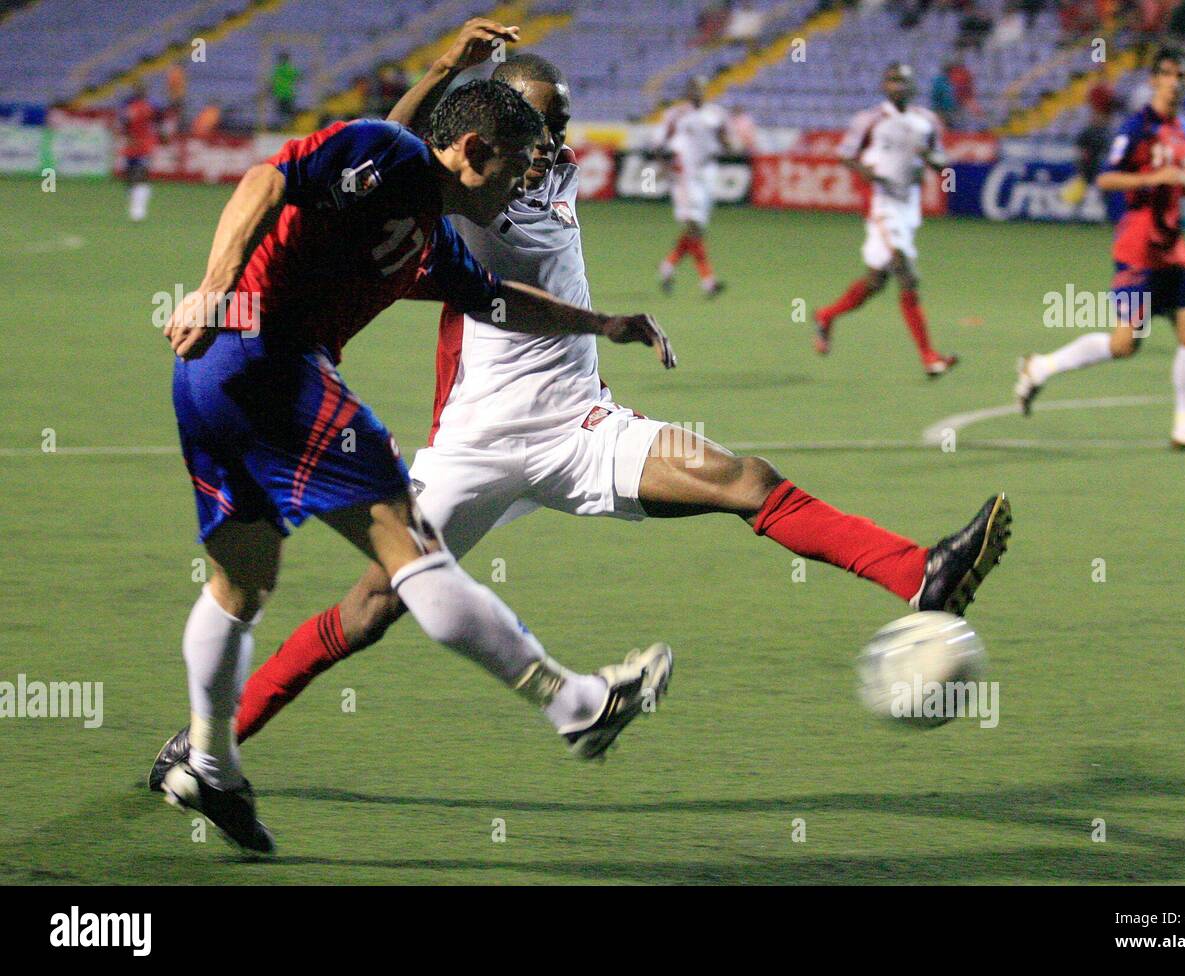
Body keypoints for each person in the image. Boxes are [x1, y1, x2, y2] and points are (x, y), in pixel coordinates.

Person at [152, 51, 1013, 765]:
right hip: (479, 440)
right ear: (484, 136)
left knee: (743, 478)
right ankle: (210, 743)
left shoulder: (536, 170)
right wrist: (450, 66)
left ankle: (918, 572)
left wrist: (609, 324)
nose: (553, 141)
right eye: (537, 123)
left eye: (559, 122)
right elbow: (395, 151)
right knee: (377, 602)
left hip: (578, 422)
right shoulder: (457, 195)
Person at [151, 66, 677, 853]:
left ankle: (211, 762)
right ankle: (570, 701)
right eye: (516, 165)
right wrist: (214, 286)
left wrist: (601, 323)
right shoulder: (390, 155)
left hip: (206, 380)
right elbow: (268, 177)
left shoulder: (429, 236)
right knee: (414, 552)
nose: (523, 184)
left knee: (241, 582)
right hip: (274, 363)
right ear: (472, 149)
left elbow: (498, 300)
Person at [1015, 46, 1185, 451]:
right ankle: (1040, 366)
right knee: (1125, 345)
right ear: (1153, 80)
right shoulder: (1136, 127)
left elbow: (1177, 180)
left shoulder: (1182, 128)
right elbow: (1107, 179)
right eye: (1167, 73)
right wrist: (1155, 177)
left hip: (1173, 248)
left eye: (1181, 74)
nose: (1174, 81)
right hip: (1138, 248)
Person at [813, 63, 958, 377]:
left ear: (913, 86)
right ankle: (930, 357)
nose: (898, 86)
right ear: (884, 85)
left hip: (909, 208)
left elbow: (943, 166)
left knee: (876, 281)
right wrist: (864, 172)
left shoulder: (927, 121)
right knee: (907, 274)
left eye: (903, 81)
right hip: (883, 205)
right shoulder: (870, 120)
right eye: (892, 81)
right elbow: (844, 154)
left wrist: (933, 161)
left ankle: (826, 315)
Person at [655, 76, 731, 298]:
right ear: (687, 91)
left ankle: (667, 266)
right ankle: (708, 281)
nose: (698, 92)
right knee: (694, 225)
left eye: (701, 88)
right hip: (685, 176)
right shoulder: (677, 114)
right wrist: (664, 167)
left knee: (696, 228)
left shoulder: (716, 114)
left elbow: (725, 141)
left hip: (708, 173)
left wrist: (726, 144)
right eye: (694, 88)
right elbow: (660, 144)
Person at [120, 83, 157, 221]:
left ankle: (139, 209)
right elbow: (125, 124)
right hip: (132, 145)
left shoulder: (150, 107)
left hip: (145, 145)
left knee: (141, 173)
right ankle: (134, 201)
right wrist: (129, 138)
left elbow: (157, 123)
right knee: (129, 176)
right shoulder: (129, 107)